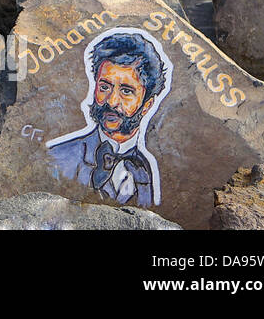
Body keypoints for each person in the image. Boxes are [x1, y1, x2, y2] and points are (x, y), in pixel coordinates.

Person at [46, 30, 172, 207]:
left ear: (147, 105)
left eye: (126, 91)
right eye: (104, 87)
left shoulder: (143, 170)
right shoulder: (58, 158)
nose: (112, 102)